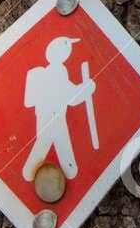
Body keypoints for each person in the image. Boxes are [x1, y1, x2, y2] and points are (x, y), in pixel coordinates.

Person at [23, 36, 97, 180]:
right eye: (67, 48)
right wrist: (87, 87)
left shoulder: (56, 71)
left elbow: (69, 94)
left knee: (56, 141)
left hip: (50, 115)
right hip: (52, 116)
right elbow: (72, 96)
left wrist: (86, 88)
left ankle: (68, 170)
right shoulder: (57, 72)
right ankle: (29, 172)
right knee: (48, 140)